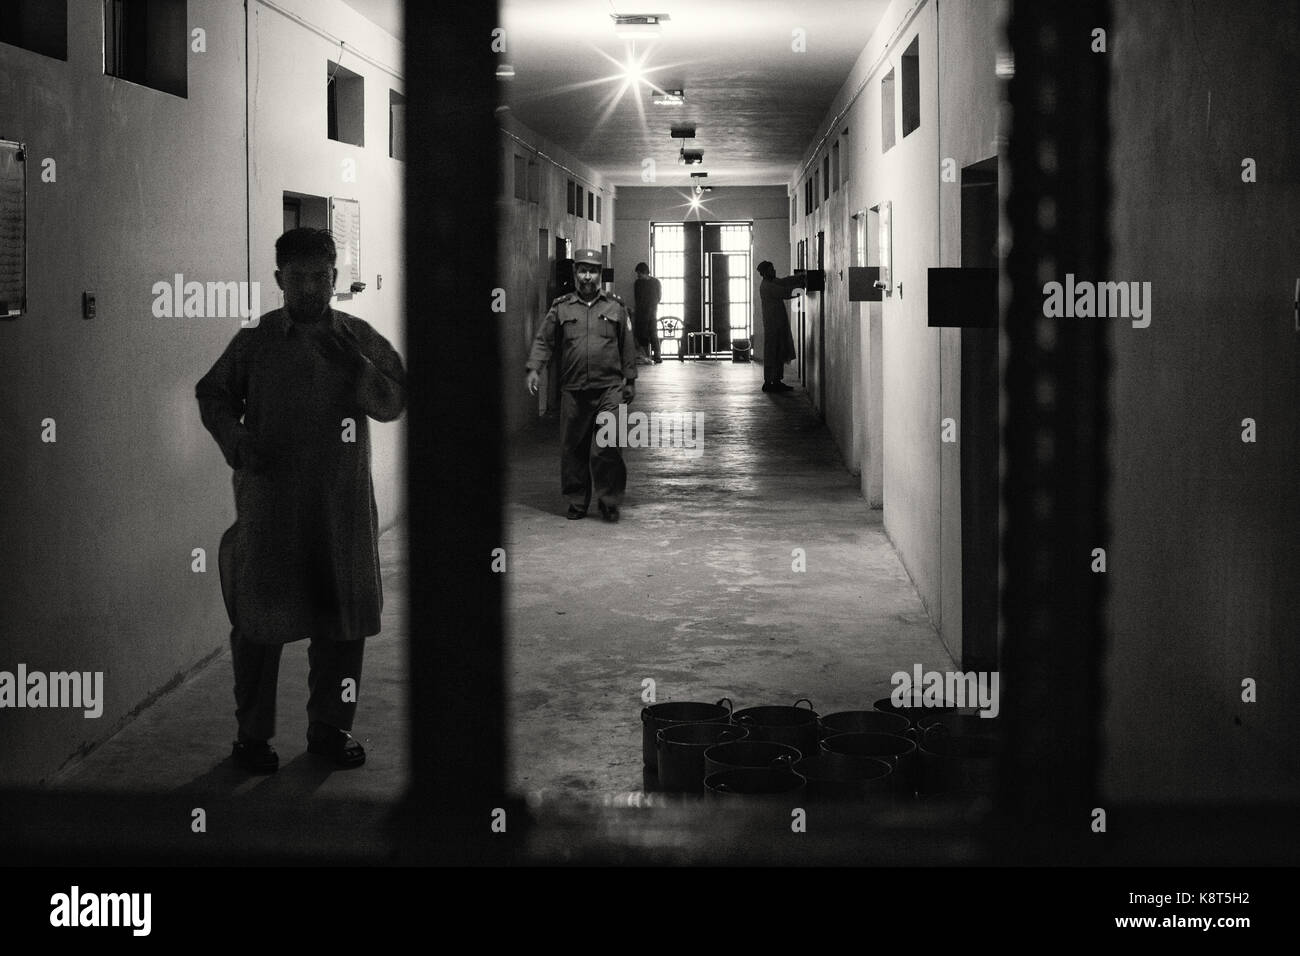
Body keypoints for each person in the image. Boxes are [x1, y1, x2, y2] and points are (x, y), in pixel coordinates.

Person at [195, 227, 406, 773]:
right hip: (271, 508)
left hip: (340, 510)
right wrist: (236, 440)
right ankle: (251, 737)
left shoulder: (357, 338)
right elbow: (212, 392)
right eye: (298, 279)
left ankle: (330, 731)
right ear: (278, 280)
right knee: (259, 625)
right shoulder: (257, 340)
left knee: (342, 624)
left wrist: (355, 367)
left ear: (335, 277)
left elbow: (393, 401)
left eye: (321, 277)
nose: (311, 289)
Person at [525, 248, 637, 522]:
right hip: (573, 390)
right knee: (572, 448)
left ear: (600, 274)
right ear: (575, 273)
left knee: (608, 446)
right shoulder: (561, 307)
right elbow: (544, 340)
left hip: (609, 388)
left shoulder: (615, 307)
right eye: (582, 270)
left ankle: (609, 501)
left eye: (593, 271)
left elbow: (627, 344)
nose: (587, 276)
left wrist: (630, 380)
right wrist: (534, 368)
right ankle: (576, 501)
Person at [757, 260, 806, 392]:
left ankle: (776, 381)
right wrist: (802, 287)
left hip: (776, 323)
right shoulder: (768, 286)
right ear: (766, 272)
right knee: (773, 352)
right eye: (771, 269)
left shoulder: (771, 282)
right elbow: (785, 292)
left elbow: (784, 282)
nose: (774, 271)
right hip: (773, 325)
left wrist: (798, 278)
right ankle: (769, 382)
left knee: (778, 352)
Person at [633, 261, 663, 364]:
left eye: (639, 273)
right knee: (652, 334)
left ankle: (648, 356)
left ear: (643, 272)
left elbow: (637, 298)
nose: (638, 275)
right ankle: (655, 356)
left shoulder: (638, 284)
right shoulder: (656, 282)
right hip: (651, 311)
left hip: (644, 312)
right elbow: (659, 297)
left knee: (645, 334)